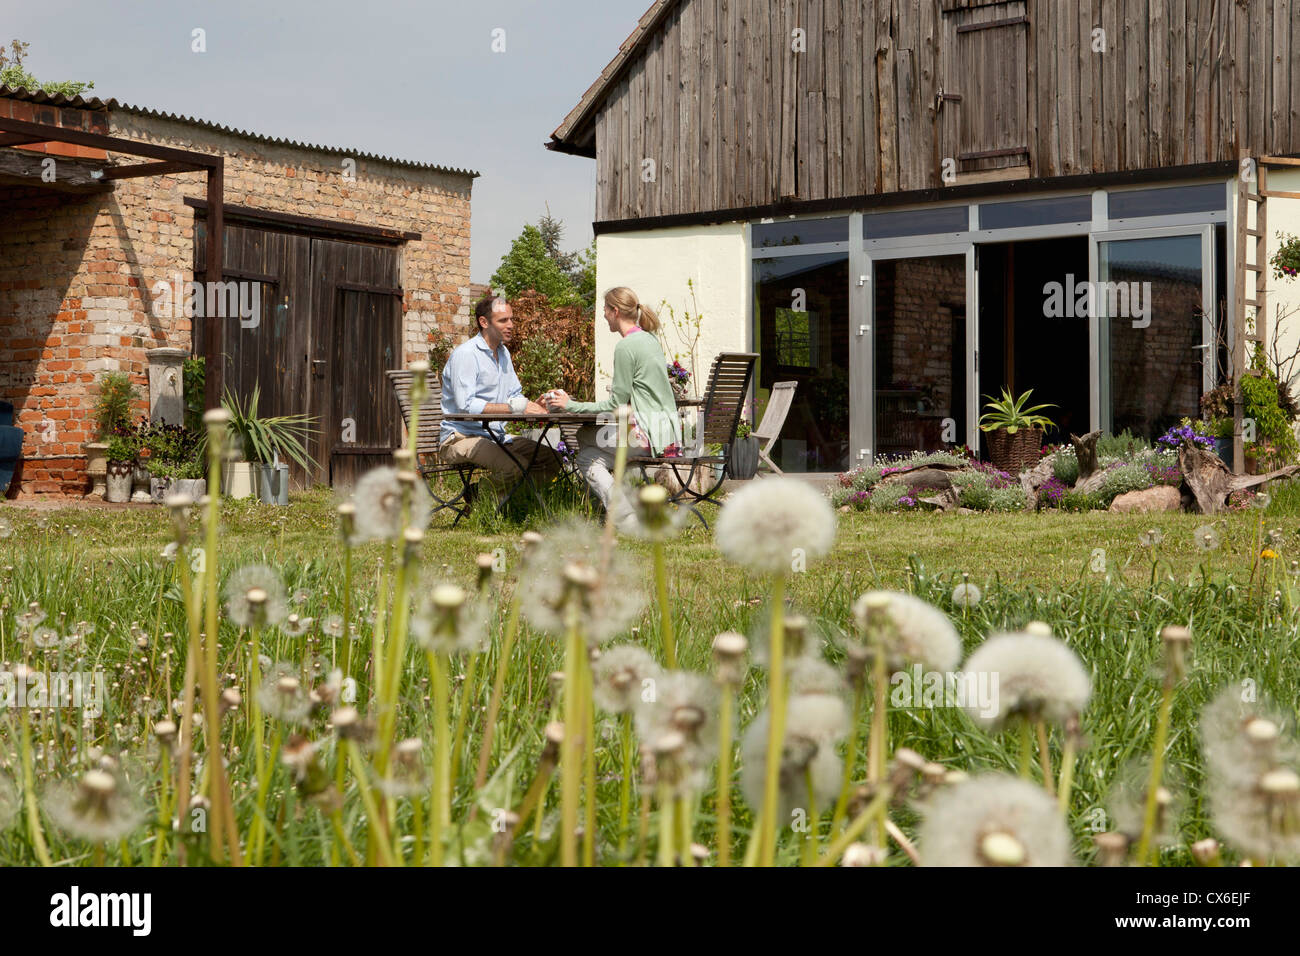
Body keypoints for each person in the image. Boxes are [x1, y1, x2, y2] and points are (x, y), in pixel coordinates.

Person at [546, 287, 682, 528]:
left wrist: (570, 405)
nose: (604, 315)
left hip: (649, 437)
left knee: (584, 435)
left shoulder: (626, 346)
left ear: (615, 311)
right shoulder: (649, 339)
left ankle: (624, 515)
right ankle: (622, 514)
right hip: (667, 433)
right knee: (587, 457)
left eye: (605, 311)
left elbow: (614, 404)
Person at [439, 295, 561, 493]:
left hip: (496, 436)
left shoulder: (503, 353)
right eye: (503, 320)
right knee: (515, 466)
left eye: (512, 319)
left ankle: (516, 502)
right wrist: (515, 408)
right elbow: (466, 405)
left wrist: (534, 405)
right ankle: (478, 497)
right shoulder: (466, 355)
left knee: (551, 459)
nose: (511, 325)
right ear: (484, 322)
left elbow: (514, 394)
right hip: (459, 438)